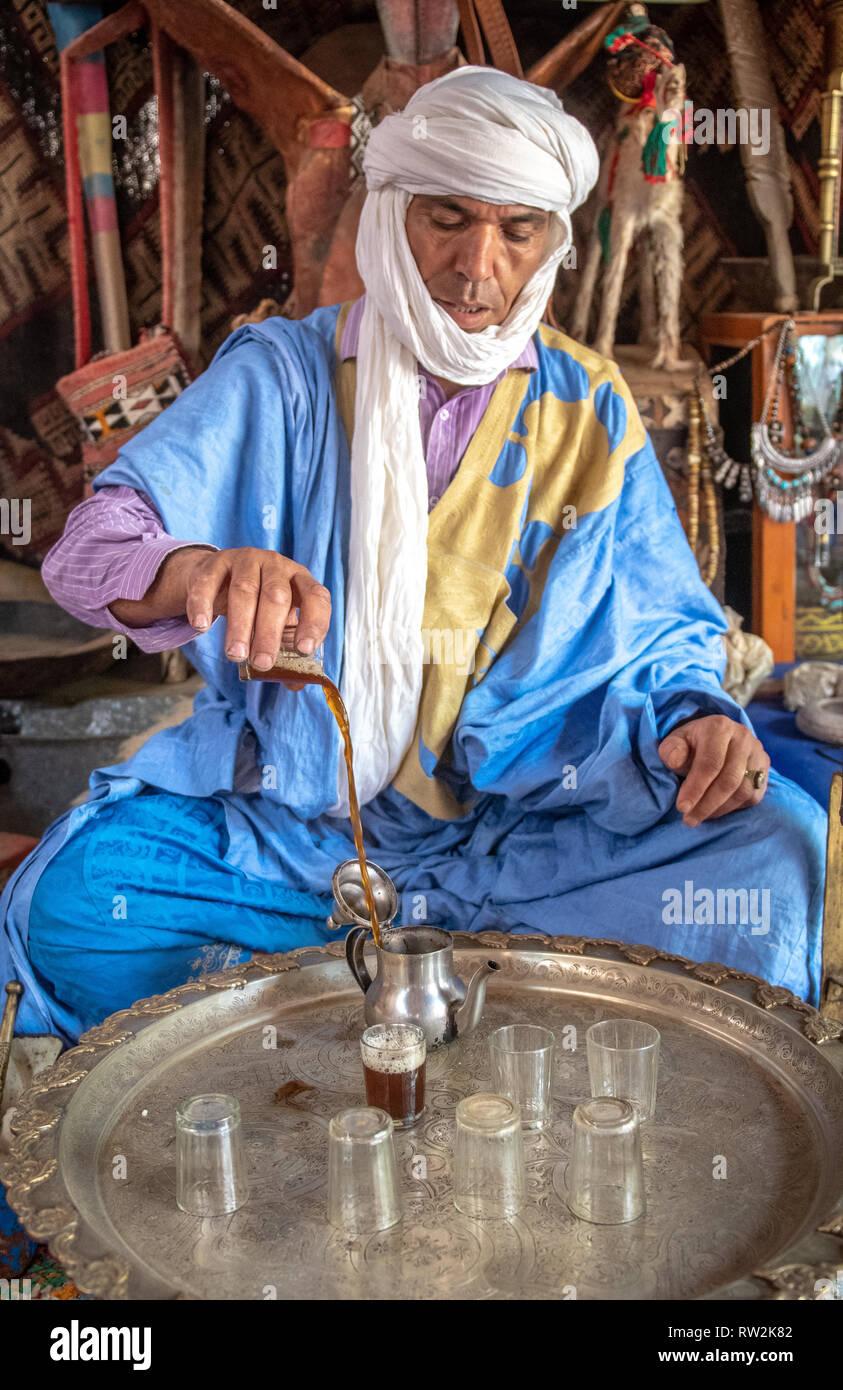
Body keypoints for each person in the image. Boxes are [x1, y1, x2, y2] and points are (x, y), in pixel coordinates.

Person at [1, 68, 825, 1043]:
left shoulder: (589, 408)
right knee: (79, 895)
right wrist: (197, 570)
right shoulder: (284, 375)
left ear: (551, 243)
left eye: (518, 229)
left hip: (535, 827)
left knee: (777, 851)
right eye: (448, 217)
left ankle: (340, 994)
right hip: (303, 832)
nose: (479, 266)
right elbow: (91, 548)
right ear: (392, 215)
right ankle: (483, 995)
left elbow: (664, 625)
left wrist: (696, 715)